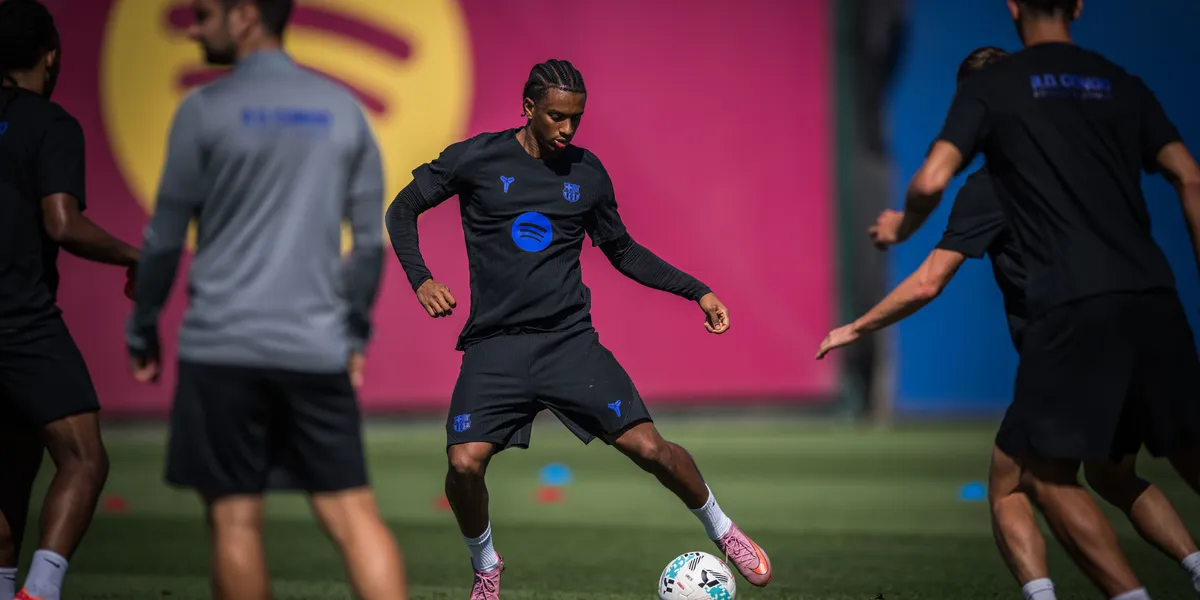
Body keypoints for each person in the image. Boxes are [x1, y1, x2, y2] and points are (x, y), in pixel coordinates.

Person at [819, 44, 1200, 600]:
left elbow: (928, 280)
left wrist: (856, 327)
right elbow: (1186, 177)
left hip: (1069, 344)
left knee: (1012, 485)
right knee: (1113, 475)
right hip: (1144, 325)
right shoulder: (1089, 159)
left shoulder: (995, 183)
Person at [385, 58, 772, 599]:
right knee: (463, 464)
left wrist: (697, 291)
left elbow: (623, 251)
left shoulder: (587, 174)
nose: (567, 129)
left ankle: (723, 529)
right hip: (495, 345)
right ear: (529, 108)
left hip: (568, 343)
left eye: (576, 118)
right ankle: (487, 567)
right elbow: (402, 209)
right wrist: (422, 279)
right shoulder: (476, 157)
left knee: (651, 450)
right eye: (557, 116)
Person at [124, 1, 406, 598]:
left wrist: (142, 324)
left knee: (234, 518)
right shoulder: (343, 110)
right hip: (315, 347)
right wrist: (354, 333)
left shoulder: (203, 110)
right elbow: (369, 246)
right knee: (353, 513)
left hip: (222, 347)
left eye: (205, 14)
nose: (194, 28)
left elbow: (164, 240)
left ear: (246, 15)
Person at [0, 1, 140, 599]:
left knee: (10, 469)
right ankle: (41, 590)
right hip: (20, 319)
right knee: (83, 459)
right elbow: (62, 223)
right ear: (51, 58)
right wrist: (135, 256)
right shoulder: (50, 125)